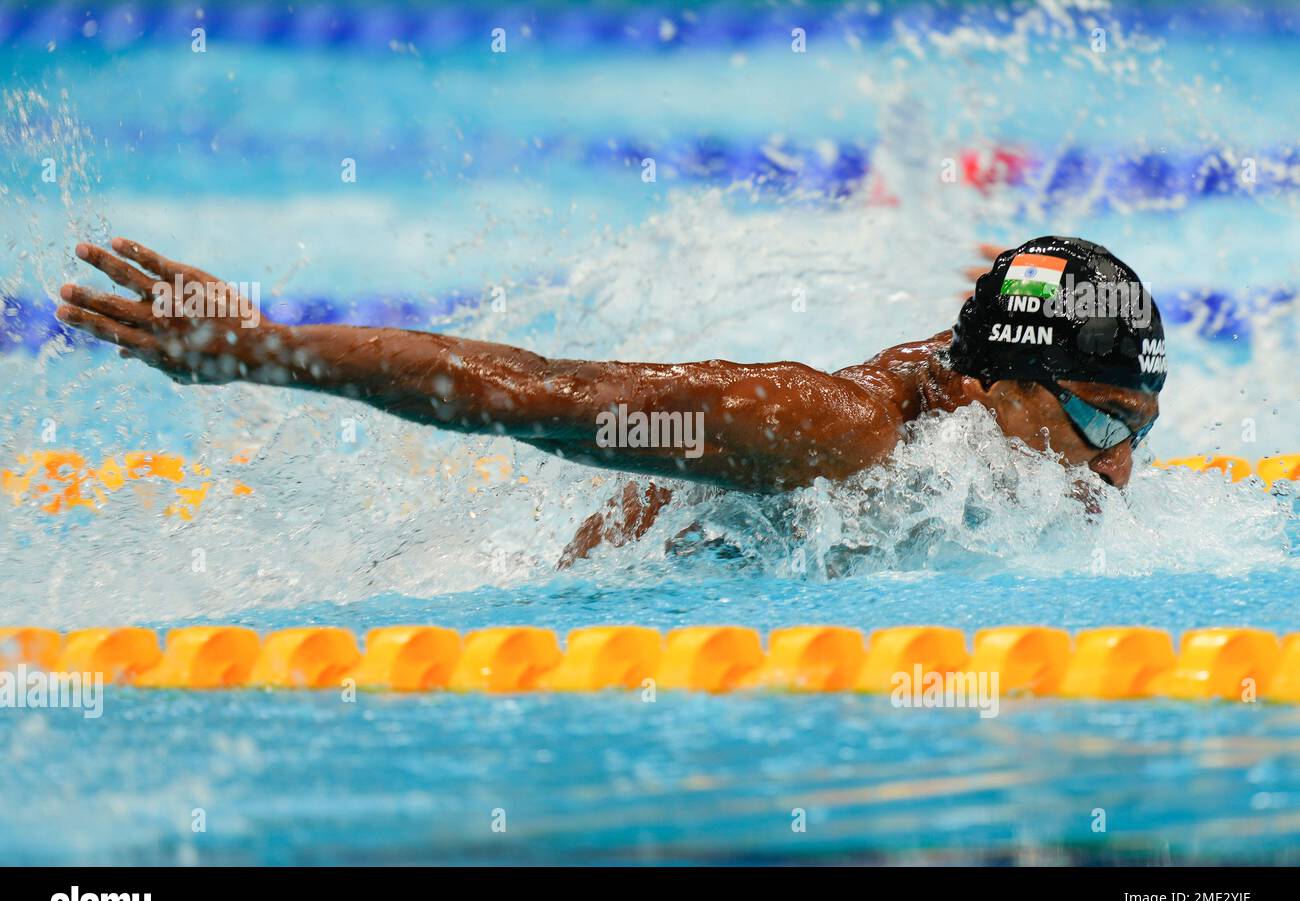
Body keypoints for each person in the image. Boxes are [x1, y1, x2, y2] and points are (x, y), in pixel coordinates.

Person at [55, 234, 1164, 560]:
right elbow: (536, 394)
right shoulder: (831, 430)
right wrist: (264, 347)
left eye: (1137, 430)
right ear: (986, 386)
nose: (1117, 464)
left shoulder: (996, 395)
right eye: (1101, 424)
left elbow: (1014, 319)